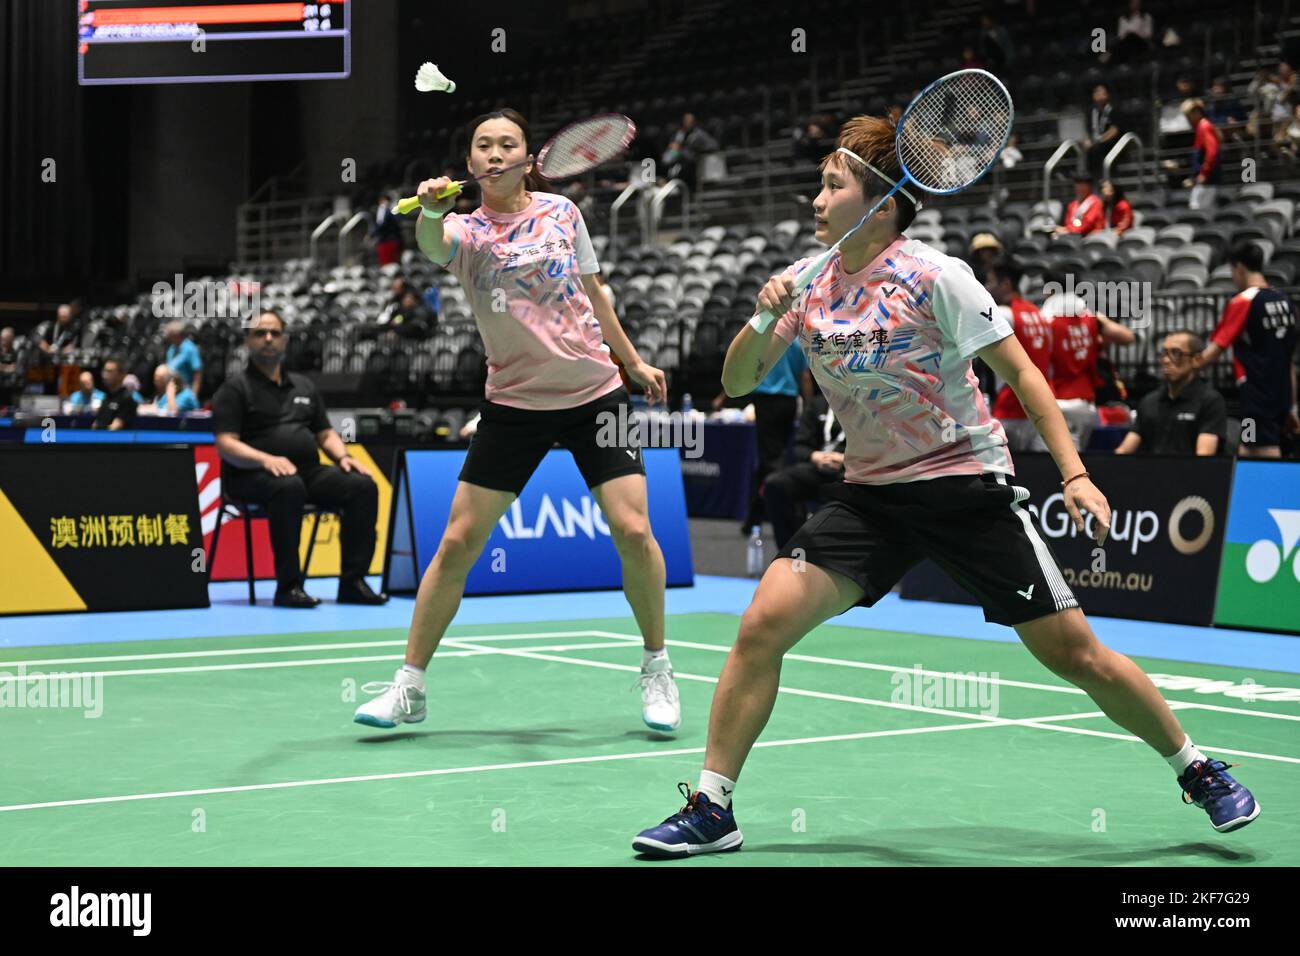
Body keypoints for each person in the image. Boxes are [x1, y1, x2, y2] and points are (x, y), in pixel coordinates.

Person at [632, 115, 1258, 857]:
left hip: (964, 488)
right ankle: (714, 807)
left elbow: (1022, 376)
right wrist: (765, 316)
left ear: (881, 202)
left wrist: (1077, 473)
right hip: (870, 499)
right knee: (761, 621)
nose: (815, 198)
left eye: (832, 184)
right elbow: (737, 378)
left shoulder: (936, 276)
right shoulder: (808, 282)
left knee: (1073, 654)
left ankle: (1196, 768)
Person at [353, 108, 681, 734]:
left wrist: (632, 360)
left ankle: (657, 668)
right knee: (456, 543)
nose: (495, 153)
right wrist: (426, 211)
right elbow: (432, 246)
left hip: (594, 394)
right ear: (471, 163)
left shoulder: (563, 214)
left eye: (508, 144)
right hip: (514, 403)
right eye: (484, 146)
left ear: (530, 158)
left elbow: (594, 292)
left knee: (633, 529)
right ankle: (409, 686)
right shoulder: (464, 230)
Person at [211, 310, 388, 609]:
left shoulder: (304, 386)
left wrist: (343, 457)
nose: (268, 338)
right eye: (260, 333)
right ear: (248, 341)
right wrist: (266, 459)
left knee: (361, 486)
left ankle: (353, 582)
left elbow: (325, 432)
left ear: (285, 340)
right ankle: (289, 587)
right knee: (288, 487)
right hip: (251, 475)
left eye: (275, 333)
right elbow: (226, 444)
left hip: (306, 471)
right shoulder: (235, 388)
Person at [1200, 243, 1299, 458]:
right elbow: (1289, 360)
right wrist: (1292, 407)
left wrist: (1190, 364)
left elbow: (1216, 349)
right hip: (1281, 398)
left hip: (1254, 400)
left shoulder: (1243, 301)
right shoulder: (1286, 302)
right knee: (1249, 449)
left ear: (1239, 268)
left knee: (1259, 453)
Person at [719, 340, 812, 536]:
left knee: (772, 462)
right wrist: (809, 406)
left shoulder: (765, 338)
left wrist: (723, 397)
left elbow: (741, 369)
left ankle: (797, 512)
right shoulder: (797, 341)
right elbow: (804, 376)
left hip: (767, 403)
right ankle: (753, 519)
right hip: (789, 403)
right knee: (768, 461)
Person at [1040, 271, 1137, 450]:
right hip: (1084, 403)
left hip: (1054, 399)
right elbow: (1128, 337)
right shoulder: (1091, 318)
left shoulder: (1044, 319)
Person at [1115, 331, 1226, 456]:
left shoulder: (1210, 401)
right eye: (1164, 353)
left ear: (1196, 360)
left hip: (1190, 474)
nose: (1166, 360)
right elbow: (1124, 451)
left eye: (1176, 353)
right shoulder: (1149, 402)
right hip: (1151, 473)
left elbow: (1204, 457)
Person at [761, 390, 846, 549]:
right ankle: (790, 548)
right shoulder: (817, 404)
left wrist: (844, 459)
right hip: (817, 468)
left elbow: (876, 451)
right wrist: (815, 456)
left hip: (847, 472)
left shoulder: (865, 407)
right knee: (775, 484)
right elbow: (800, 446)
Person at [985, 256, 1053, 451]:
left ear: (1006, 283)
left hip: (1010, 407)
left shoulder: (1003, 313)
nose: (986, 287)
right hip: (1041, 406)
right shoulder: (1037, 313)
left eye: (990, 281)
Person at [1181, 99, 1221, 210]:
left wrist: (1204, 173)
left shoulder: (1204, 126)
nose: (1188, 119)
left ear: (1197, 112)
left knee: (1198, 210)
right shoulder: (1201, 127)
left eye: (1189, 115)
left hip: (1208, 180)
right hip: (1205, 180)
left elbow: (1212, 151)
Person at [662, 112, 719, 187]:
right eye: (686, 121)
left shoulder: (699, 134)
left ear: (694, 122)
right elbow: (673, 149)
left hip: (692, 163)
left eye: (690, 122)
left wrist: (698, 149)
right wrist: (674, 150)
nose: (688, 123)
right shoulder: (679, 134)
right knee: (667, 161)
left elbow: (714, 145)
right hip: (678, 160)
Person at [1084, 84, 1121, 181]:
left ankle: (1104, 178)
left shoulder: (1113, 109)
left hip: (1111, 142)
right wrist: (1087, 140)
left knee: (1097, 148)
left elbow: (1114, 130)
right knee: (1084, 148)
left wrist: (1099, 140)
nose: (1099, 95)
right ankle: (1087, 177)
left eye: (1102, 93)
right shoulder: (1091, 111)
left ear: (1107, 95)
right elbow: (1088, 130)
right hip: (1095, 142)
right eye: (1097, 93)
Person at [91, 357, 137, 431]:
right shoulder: (106, 397)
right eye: (104, 371)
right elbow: (96, 424)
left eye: (109, 372)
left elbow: (115, 427)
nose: (104, 375)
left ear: (121, 375)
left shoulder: (126, 399)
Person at [164, 320, 203, 399]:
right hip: (173, 392)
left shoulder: (190, 349)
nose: (168, 339)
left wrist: (193, 396)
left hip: (186, 392)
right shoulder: (171, 349)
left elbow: (197, 374)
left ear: (178, 335)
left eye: (170, 336)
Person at [372, 194, 403, 267]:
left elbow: (382, 225)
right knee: (387, 263)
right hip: (387, 240)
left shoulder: (388, 210)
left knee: (391, 264)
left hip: (389, 241)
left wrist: (372, 234)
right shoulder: (383, 211)